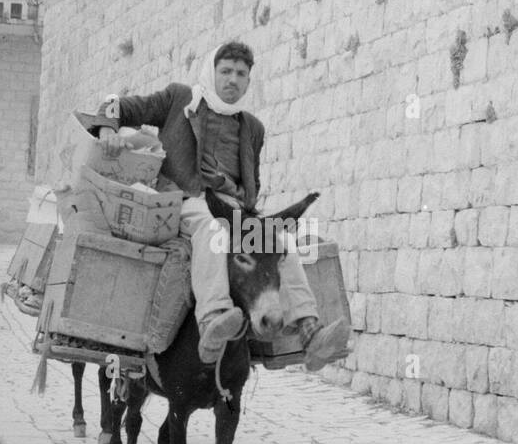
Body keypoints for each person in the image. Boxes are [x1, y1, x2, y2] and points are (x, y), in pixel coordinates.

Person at [95, 40, 350, 368]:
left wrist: (249, 215)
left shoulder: (252, 128)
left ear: (248, 80)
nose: (233, 79)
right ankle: (213, 318)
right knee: (213, 229)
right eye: (225, 71)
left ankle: (309, 330)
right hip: (187, 203)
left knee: (281, 240)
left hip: (234, 212)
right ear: (211, 72)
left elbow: (250, 185)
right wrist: (106, 129)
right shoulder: (179, 99)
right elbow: (118, 105)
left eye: (241, 74)